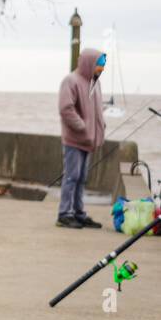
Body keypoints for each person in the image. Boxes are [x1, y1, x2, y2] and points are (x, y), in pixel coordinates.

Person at [56, 47, 107, 229]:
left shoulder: (95, 83)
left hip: (89, 141)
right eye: (99, 65)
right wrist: (83, 127)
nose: (101, 69)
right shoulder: (71, 81)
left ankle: (78, 212)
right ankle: (64, 214)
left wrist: (99, 129)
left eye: (102, 66)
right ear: (89, 63)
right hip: (74, 140)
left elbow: (96, 110)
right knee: (72, 176)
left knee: (82, 177)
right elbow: (66, 109)